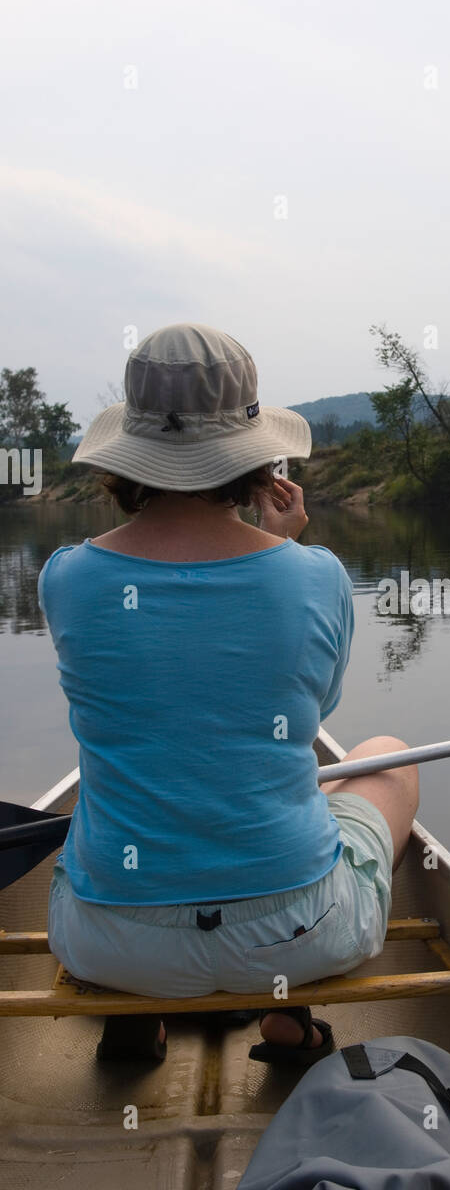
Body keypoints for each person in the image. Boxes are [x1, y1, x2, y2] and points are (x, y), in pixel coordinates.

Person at [37, 322, 419, 1064]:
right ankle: (288, 1016)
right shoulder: (318, 576)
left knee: (101, 809)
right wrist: (293, 551)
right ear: (256, 462)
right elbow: (315, 712)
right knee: (386, 756)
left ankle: (137, 1008)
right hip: (298, 937)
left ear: (130, 455)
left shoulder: (66, 577)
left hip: (109, 943)